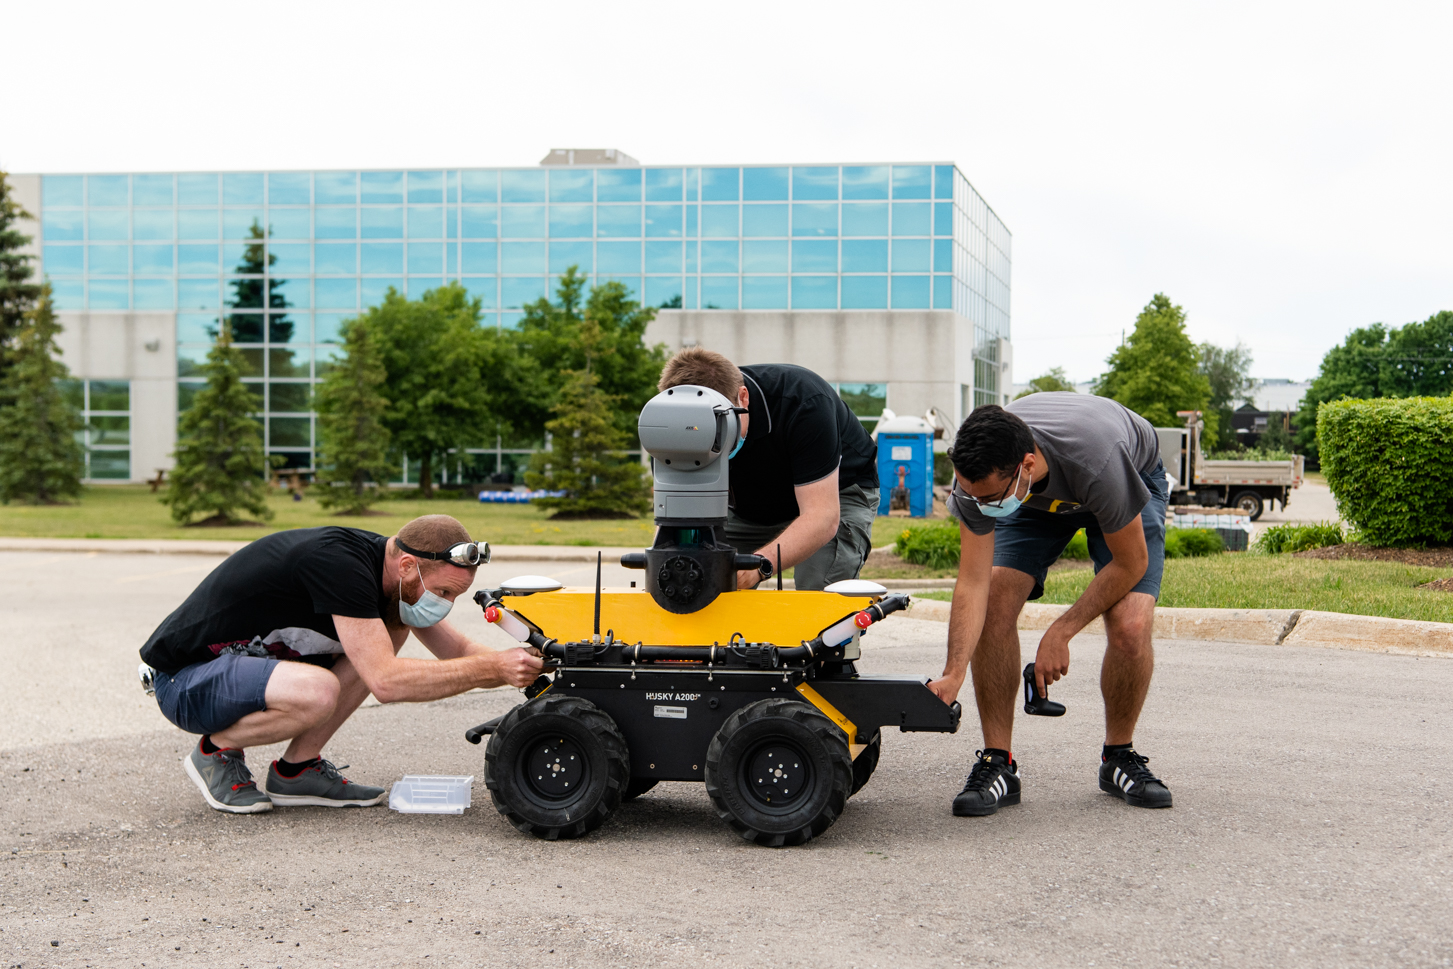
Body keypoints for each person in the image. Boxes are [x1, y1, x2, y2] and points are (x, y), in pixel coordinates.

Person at [139, 515, 543, 814]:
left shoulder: (394, 580)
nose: (445, 604)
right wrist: (494, 669)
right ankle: (216, 751)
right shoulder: (341, 565)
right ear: (407, 565)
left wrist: (531, 664)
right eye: (442, 592)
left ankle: (297, 771)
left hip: (243, 675)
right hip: (185, 678)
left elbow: (456, 652)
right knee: (319, 691)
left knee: (391, 629)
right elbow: (386, 682)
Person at [927, 393, 1174, 816]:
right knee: (997, 598)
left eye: (988, 499)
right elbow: (973, 583)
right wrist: (953, 673)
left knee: (1130, 623)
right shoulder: (980, 481)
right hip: (1032, 499)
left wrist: (1060, 631)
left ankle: (1119, 756)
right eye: (973, 497)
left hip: (1124, 475)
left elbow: (1131, 562)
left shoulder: (1098, 459)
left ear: (1025, 466)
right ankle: (998, 763)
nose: (980, 507)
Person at [657, 347, 879, 591]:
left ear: (743, 398)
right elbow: (679, 521)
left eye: (720, 428)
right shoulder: (668, 427)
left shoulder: (803, 401)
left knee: (818, 592)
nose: (713, 445)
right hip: (748, 508)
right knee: (692, 581)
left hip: (835, 494)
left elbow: (822, 517)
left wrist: (760, 565)